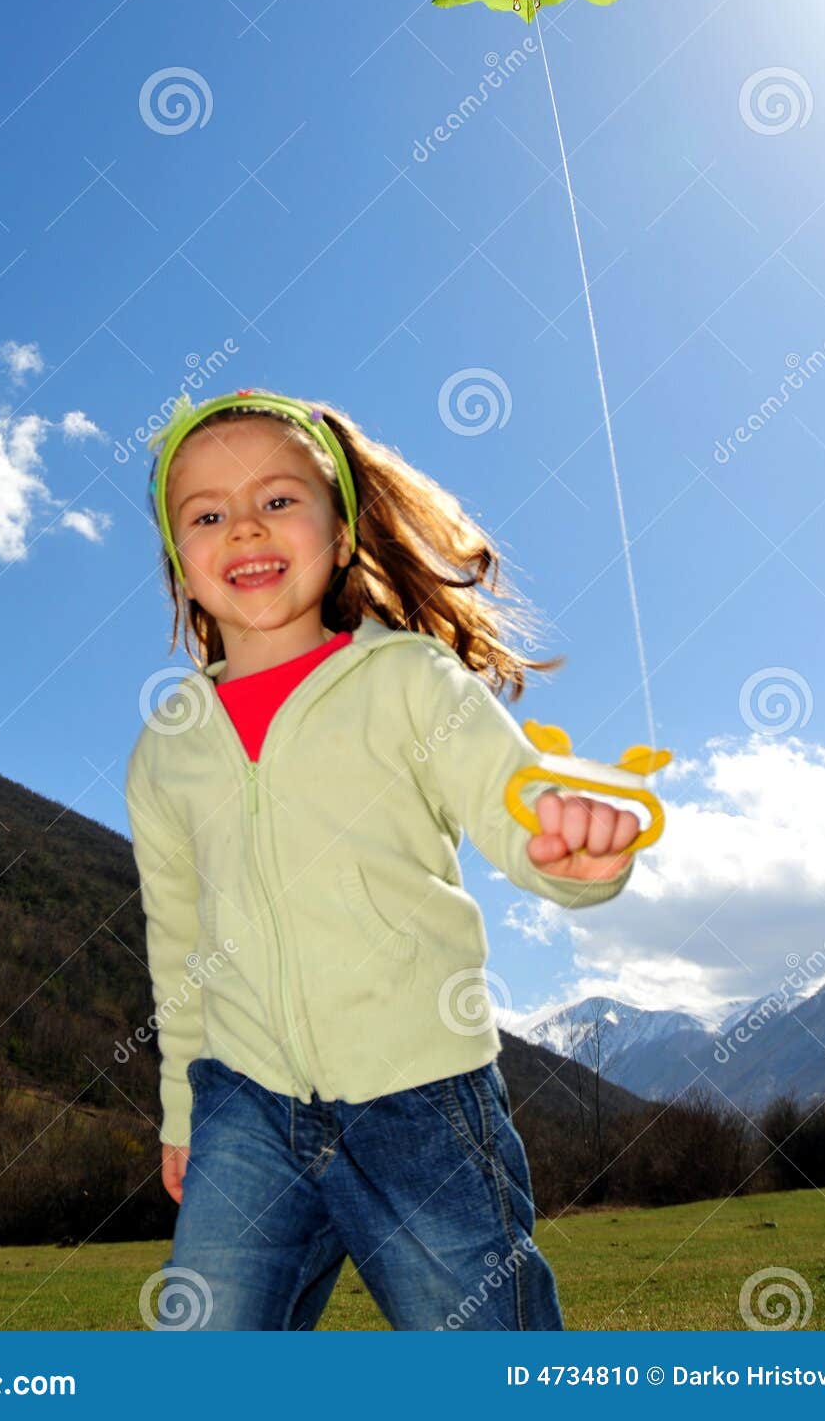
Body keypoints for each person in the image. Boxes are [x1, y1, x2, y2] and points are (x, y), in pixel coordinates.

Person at [125, 387, 640, 1332]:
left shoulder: (409, 680)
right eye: (207, 514)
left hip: (419, 1098)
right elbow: (179, 943)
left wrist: (573, 852)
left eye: (279, 500)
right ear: (178, 560)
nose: (244, 527)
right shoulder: (168, 745)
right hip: (244, 1103)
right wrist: (181, 1109)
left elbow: (514, 808)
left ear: (342, 524)